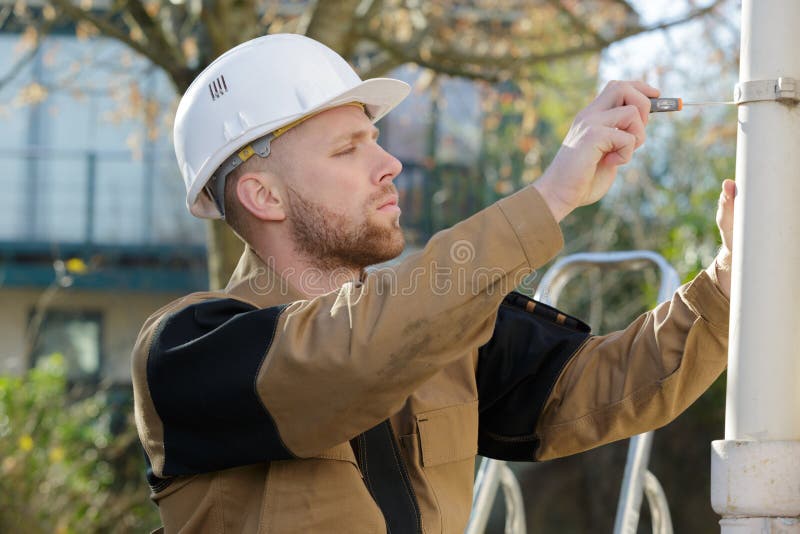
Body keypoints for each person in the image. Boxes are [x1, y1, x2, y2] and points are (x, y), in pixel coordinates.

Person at [132, 34, 734, 533]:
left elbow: (610, 384)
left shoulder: (436, 325)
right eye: (348, 150)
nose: (389, 163)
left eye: (376, 139)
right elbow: (350, 354)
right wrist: (549, 199)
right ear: (263, 195)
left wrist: (730, 280)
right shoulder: (189, 352)